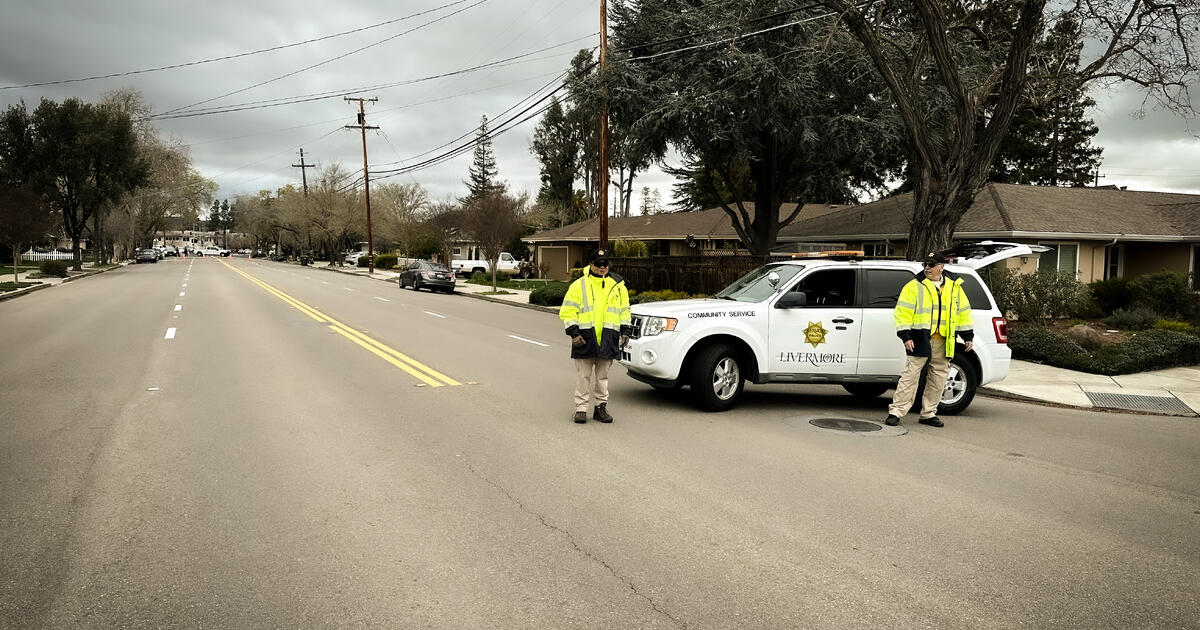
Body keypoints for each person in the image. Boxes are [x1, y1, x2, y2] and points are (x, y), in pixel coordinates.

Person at [885, 252, 974, 428]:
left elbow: (963, 311)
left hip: (944, 339)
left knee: (939, 377)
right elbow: (902, 312)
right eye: (925, 264)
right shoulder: (914, 286)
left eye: (931, 265)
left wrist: (967, 335)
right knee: (910, 376)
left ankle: (928, 413)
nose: (927, 268)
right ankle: (896, 412)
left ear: (941, 266)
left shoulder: (955, 286)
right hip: (920, 337)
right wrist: (906, 336)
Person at [558, 250, 632, 424]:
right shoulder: (579, 285)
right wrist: (573, 333)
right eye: (598, 264)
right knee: (583, 376)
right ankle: (581, 409)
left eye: (605, 264)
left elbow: (624, 309)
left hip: (608, 337)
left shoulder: (618, 285)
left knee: (602, 377)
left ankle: (600, 408)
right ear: (590, 265)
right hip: (584, 337)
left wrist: (626, 330)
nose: (602, 267)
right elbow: (568, 311)